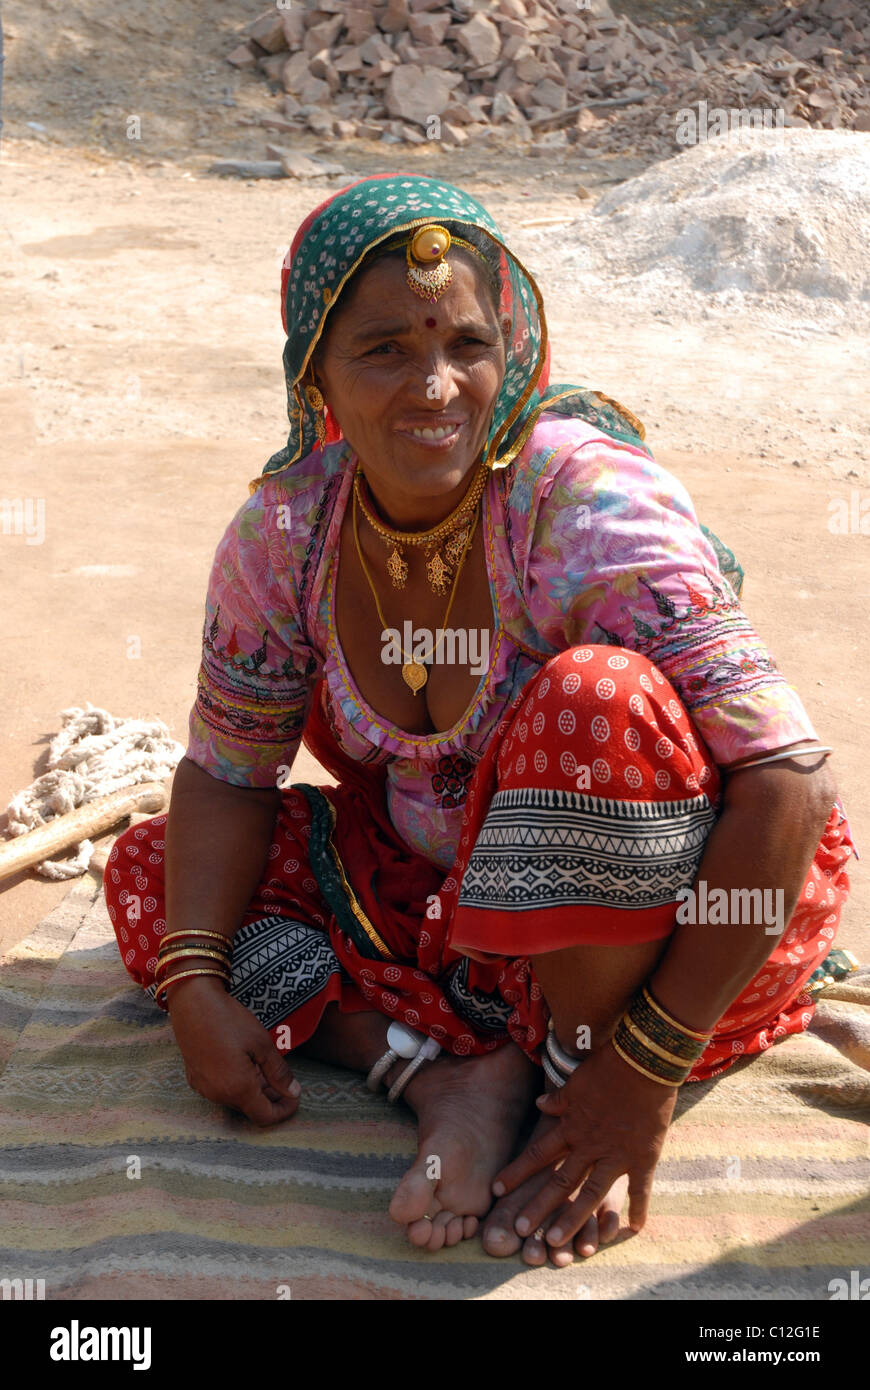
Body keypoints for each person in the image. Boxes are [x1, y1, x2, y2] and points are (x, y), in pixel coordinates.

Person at [104, 173, 855, 1268]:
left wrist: (636, 1073)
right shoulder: (286, 531)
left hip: (647, 917)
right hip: (436, 904)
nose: (437, 386)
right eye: (384, 352)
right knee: (162, 879)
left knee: (595, 702)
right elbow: (229, 774)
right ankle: (444, 1072)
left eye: (467, 342)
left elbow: (789, 784)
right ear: (312, 369)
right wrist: (194, 985)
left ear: (514, 342)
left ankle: (566, 1090)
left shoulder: (579, 501)